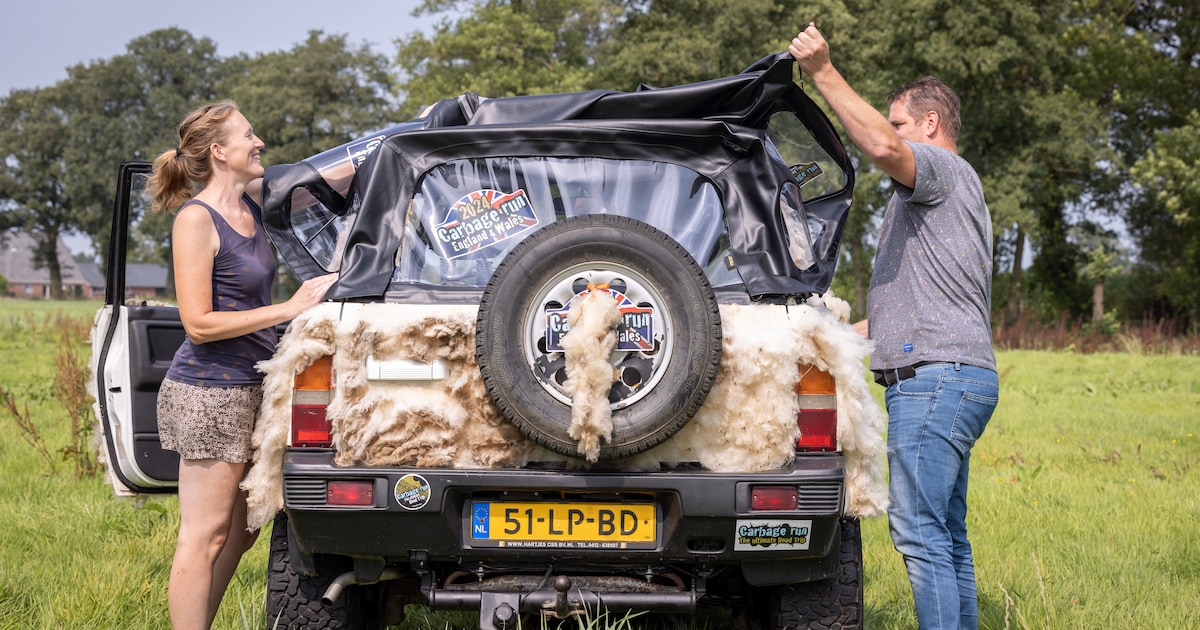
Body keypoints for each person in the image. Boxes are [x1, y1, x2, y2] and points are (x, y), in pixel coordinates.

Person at [790, 24, 1000, 630]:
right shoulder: (942, 203)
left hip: (933, 385)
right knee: (944, 536)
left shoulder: (940, 171)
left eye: (902, 123)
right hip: (953, 377)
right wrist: (827, 338)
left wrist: (824, 71)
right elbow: (899, 313)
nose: (894, 136)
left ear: (930, 126)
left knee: (919, 535)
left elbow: (880, 147)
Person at [146, 100, 337, 630]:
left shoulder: (251, 204)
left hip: (254, 388)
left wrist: (413, 134)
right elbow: (198, 324)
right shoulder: (195, 220)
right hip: (209, 393)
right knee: (203, 535)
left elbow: (331, 174)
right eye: (248, 136)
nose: (259, 144)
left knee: (245, 529)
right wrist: (290, 308)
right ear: (219, 151)